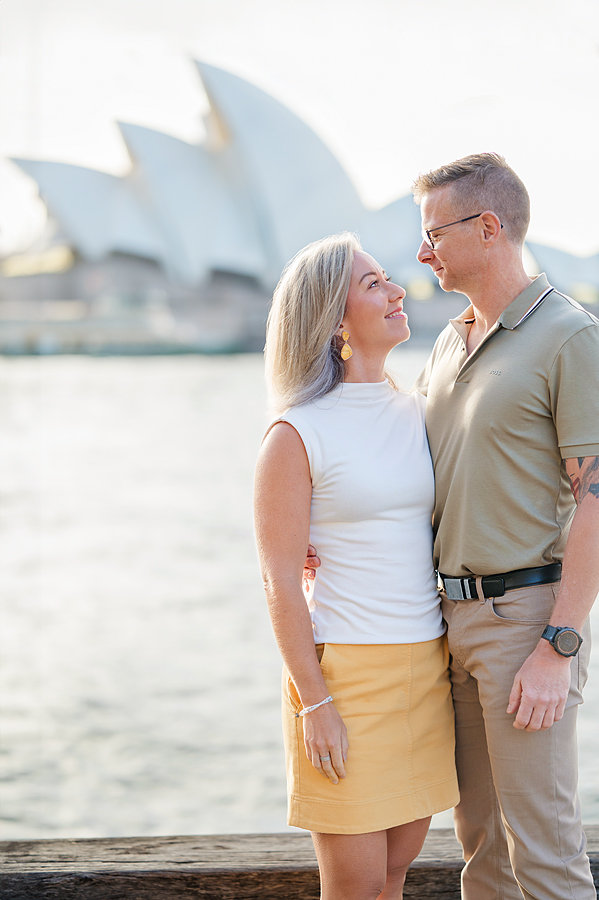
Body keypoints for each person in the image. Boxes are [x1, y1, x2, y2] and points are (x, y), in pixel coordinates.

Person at [307, 153, 599, 899]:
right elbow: (423, 470)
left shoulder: (568, 336)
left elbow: (596, 498)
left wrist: (557, 644)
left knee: (543, 853)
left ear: (489, 228)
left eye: (433, 231)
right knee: (484, 854)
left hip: (523, 621)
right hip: (444, 621)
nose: (421, 252)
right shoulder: (445, 342)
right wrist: (328, 531)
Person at [254, 233, 459, 900]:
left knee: (395, 873)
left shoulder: (420, 412)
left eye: (387, 278)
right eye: (373, 284)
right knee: (356, 887)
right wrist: (315, 701)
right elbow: (279, 581)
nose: (396, 290)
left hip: (426, 668)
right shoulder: (295, 433)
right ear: (333, 320)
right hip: (344, 678)